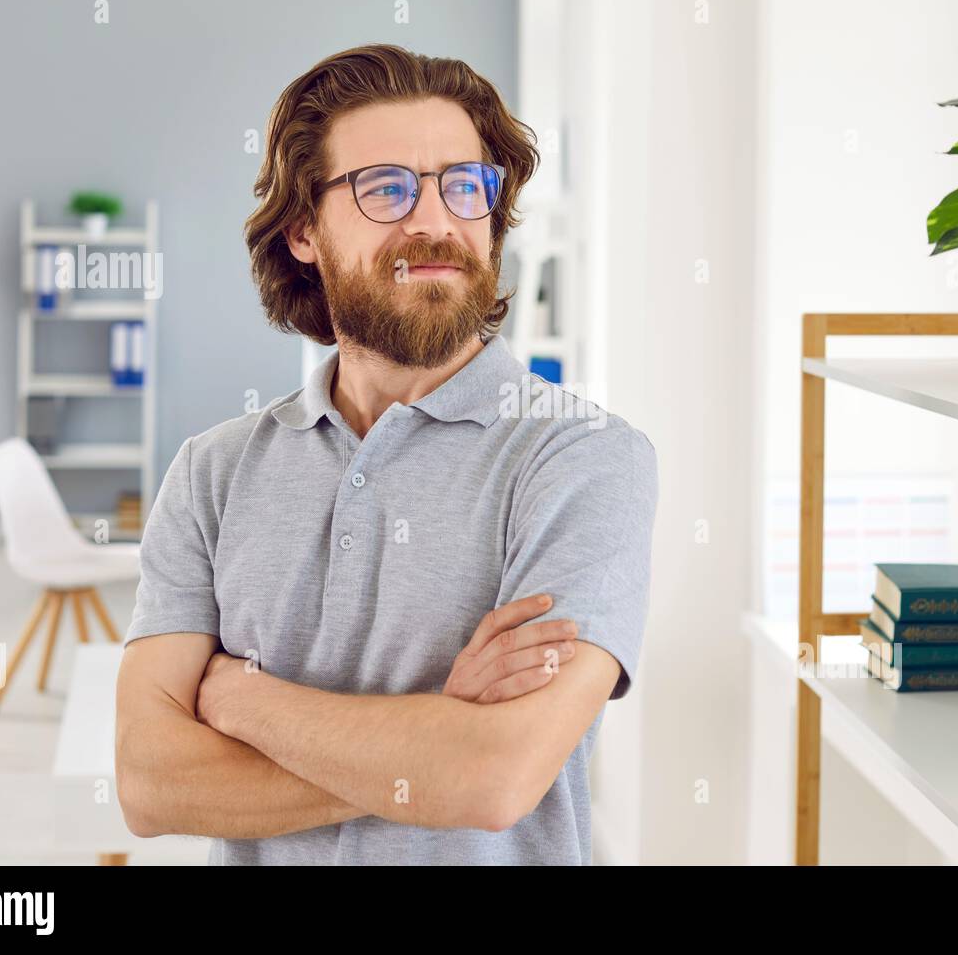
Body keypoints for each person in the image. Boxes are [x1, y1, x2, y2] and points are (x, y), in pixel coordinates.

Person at [115, 43, 658, 865]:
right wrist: (435, 730)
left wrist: (239, 699)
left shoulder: (584, 459)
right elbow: (150, 784)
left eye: (464, 186)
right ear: (302, 228)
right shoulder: (213, 473)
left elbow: (495, 777)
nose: (435, 222)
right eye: (386, 188)